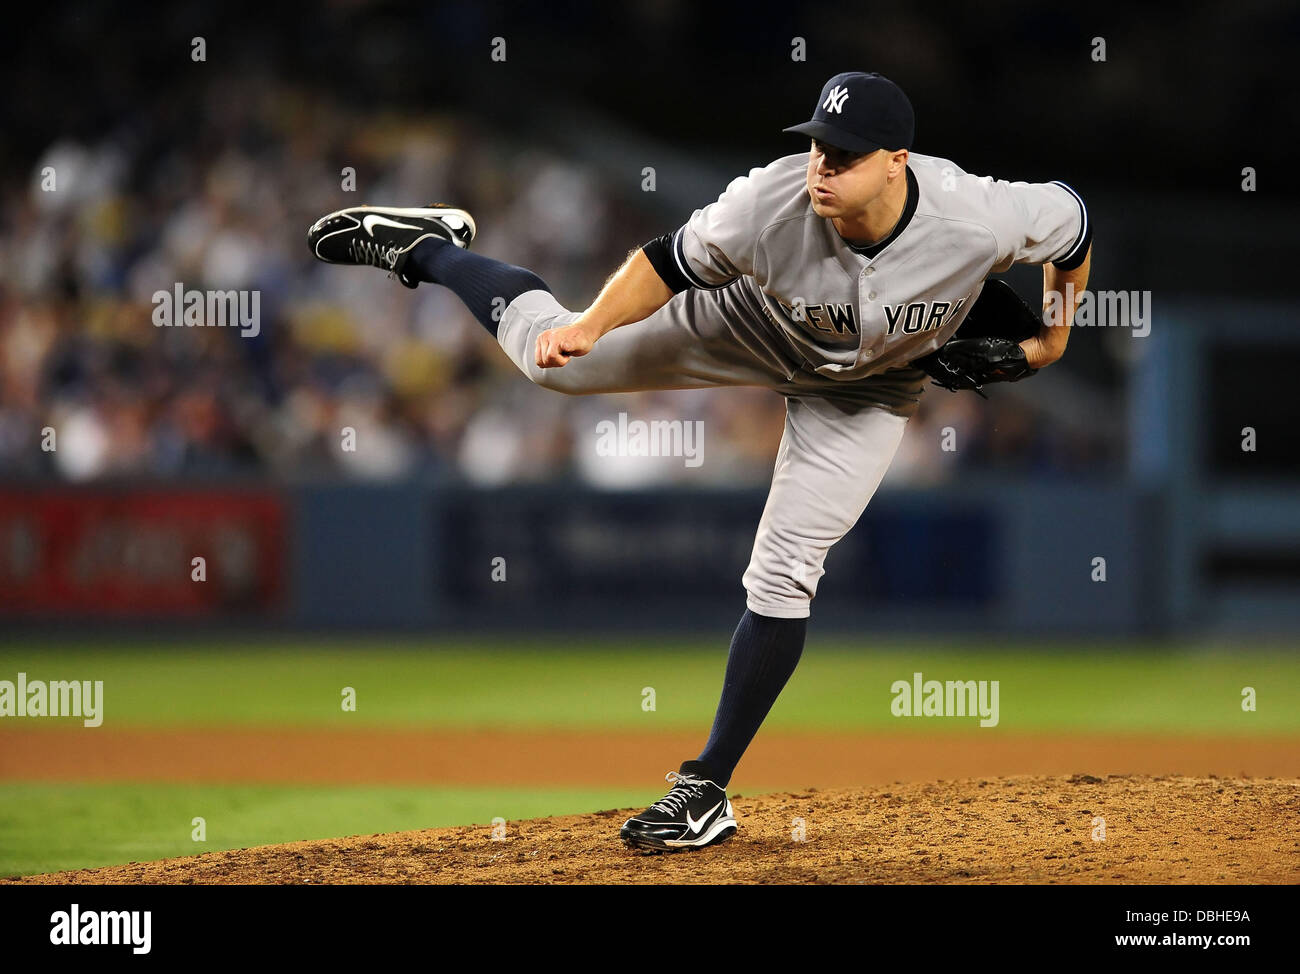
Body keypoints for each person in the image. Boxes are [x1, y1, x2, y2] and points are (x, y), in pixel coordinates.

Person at [307, 71, 1092, 852]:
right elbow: (663, 261)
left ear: (898, 160)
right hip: (746, 323)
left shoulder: (976, 215)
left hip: (869, 391)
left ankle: (703, 791)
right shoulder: (768, 202)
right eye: (818, 144)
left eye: (845, 154)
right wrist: (591, 324)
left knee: (787, 569)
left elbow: (1073, 222)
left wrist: (1051, 341)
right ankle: (430, 250)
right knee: (553, 366)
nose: (822, 164)